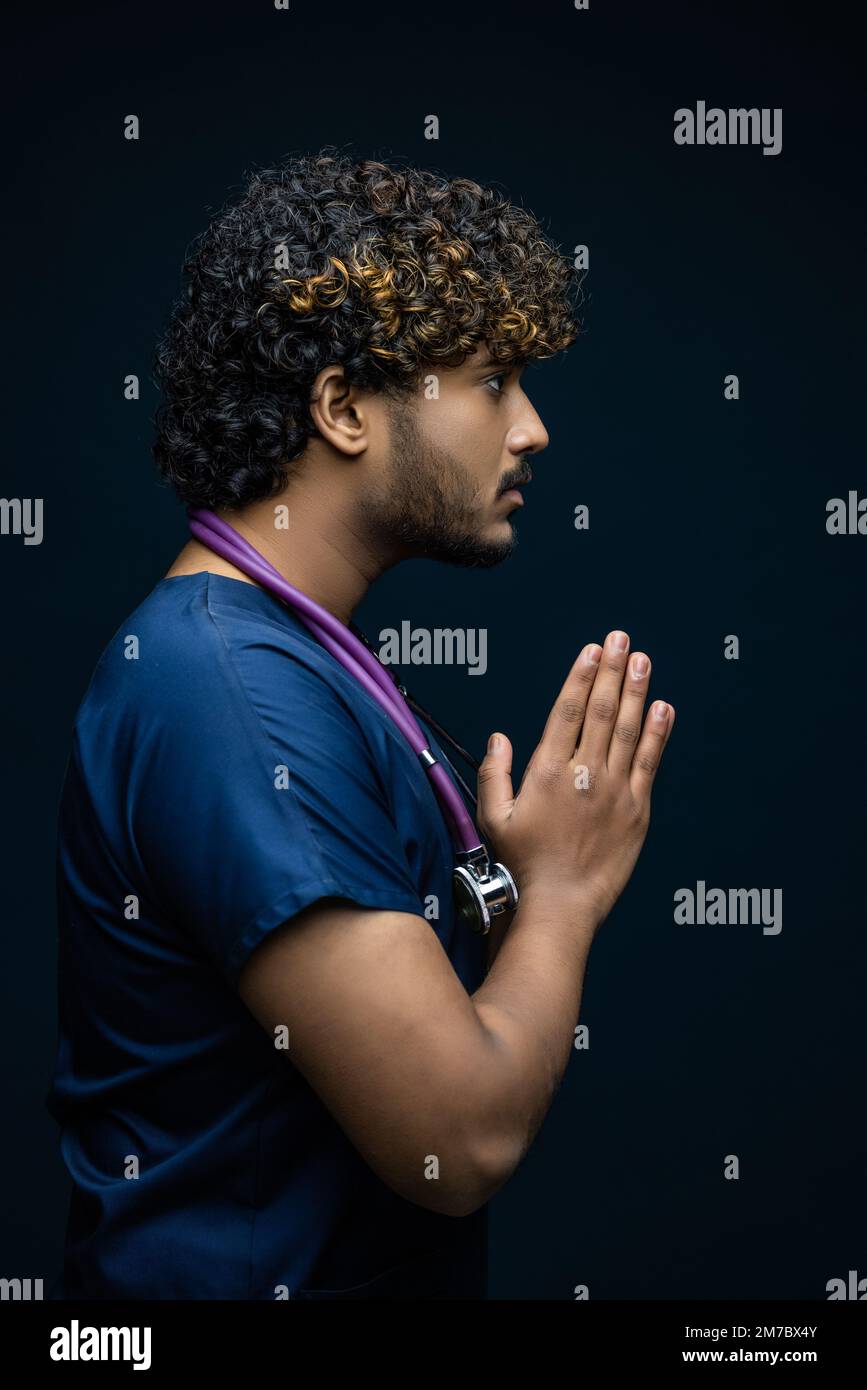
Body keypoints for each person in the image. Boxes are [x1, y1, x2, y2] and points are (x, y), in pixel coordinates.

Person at [45, 147, 675, 1300]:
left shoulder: (296, 659)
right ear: (341, 408)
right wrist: (569, 897)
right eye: (491, 383)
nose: (532, 428)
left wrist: (521, 886)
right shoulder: (230, 693)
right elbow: (458, 1137)